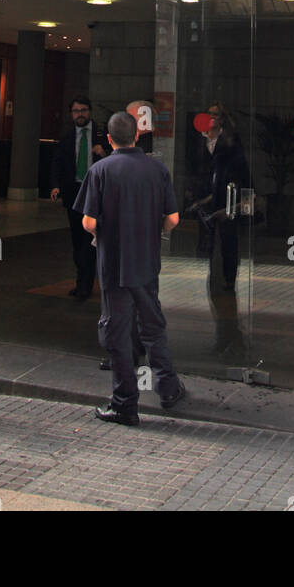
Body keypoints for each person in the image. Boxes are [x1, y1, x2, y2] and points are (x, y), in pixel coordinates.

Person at [74, 110, 184, 426]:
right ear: (137, 135)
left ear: (109, 140)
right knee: (153, 325)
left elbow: (89, 222)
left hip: (113, 264)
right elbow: (173, 219)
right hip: (147, 261)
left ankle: (124, 403)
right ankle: (168, 388)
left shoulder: (101, 171)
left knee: (117, 330)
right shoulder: (157, 170)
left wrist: (101, 234)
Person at [49, 95, 108, 300]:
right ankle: (81, 282)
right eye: (76, 111)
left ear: (89, 112)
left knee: (89, 239)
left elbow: (117, 159)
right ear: (71, 114)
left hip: (96, 192)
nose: (80, 114)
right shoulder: (67, 137)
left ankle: (86, 284)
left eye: (83, 110)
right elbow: (57, 163)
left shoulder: (102, 135)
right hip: (74, 192)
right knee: (77, 238)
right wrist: (55, 186)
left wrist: (103, 153)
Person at [191, 103, 250, 291]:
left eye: (215, 114)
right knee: (208, 240)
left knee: (228, 241)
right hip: (208, 196)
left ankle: (229, 280)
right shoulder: (202, 140)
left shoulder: (230, 140)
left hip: (226, 196)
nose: (211, 117)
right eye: (209, 114)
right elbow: (199, 168)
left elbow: (240, 170)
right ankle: (214, 275)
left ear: (222, 118)